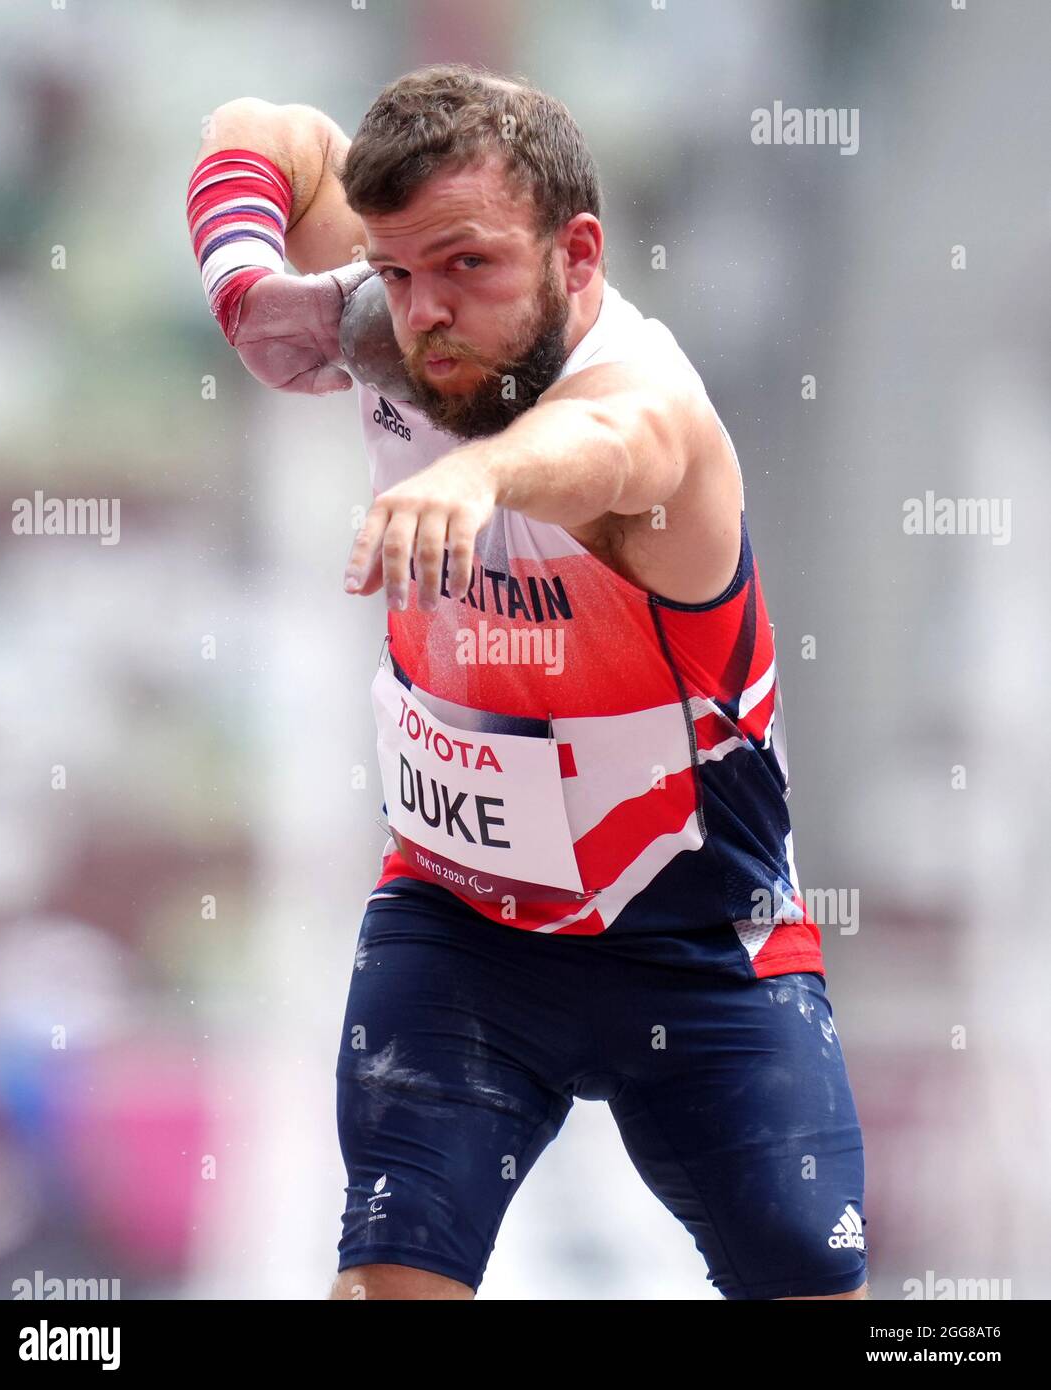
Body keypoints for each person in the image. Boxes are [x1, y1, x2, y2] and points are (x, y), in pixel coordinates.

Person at [186, 63, 868, 1302]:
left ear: (577, 255)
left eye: (469, 269)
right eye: (395, 276)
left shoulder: (654, 412)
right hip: (463, 925)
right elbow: (258, 131)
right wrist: (244, 279)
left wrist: (477, 478)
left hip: (698, 943)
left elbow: (603, 447)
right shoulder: (403, 320)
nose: (428, 316)